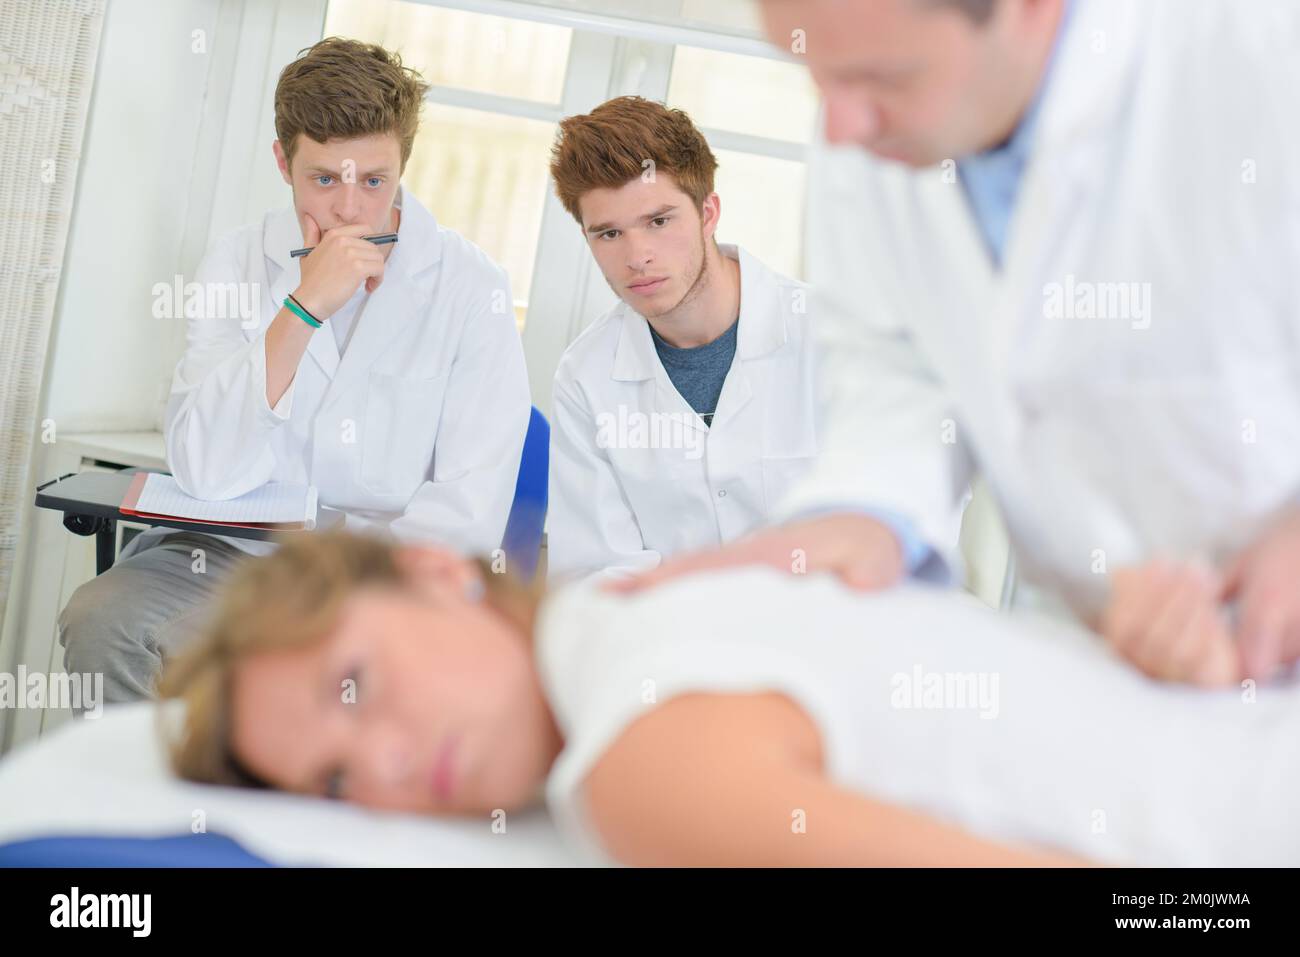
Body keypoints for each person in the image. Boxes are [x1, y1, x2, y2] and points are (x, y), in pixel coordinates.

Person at [616, 0, 1300, 688]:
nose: (841, 128)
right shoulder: (867, 130)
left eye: (887, 77)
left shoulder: (1256, 61)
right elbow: (895, 364)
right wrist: (864, 513)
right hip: (1106, 664)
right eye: (814, 76)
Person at [160, 530, 1300, 867]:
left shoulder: (637, 755)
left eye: (352, 685)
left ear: (429, 565)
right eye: (337, 779)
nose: (393, 768)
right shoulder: (654, 606)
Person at [59, 38, 531, 706]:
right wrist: (303, 308)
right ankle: (137, 808)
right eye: (324, 179)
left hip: (383, 572)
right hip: (229, 559)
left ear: (404, 163)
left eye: (374, 180)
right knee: (104, 620)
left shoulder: (471, 287)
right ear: (283, 162)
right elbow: (205, 468)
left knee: (314, 673)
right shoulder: (236, 259)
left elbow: (468, 509)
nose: (349, 208)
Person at [545, 97, 824, 581]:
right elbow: (597, 572)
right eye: (609, 234)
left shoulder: (831, 337)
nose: (638, 256)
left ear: (708, 213)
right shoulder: (585, 376)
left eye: (659, 220)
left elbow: (905, 516)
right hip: (672, 644)